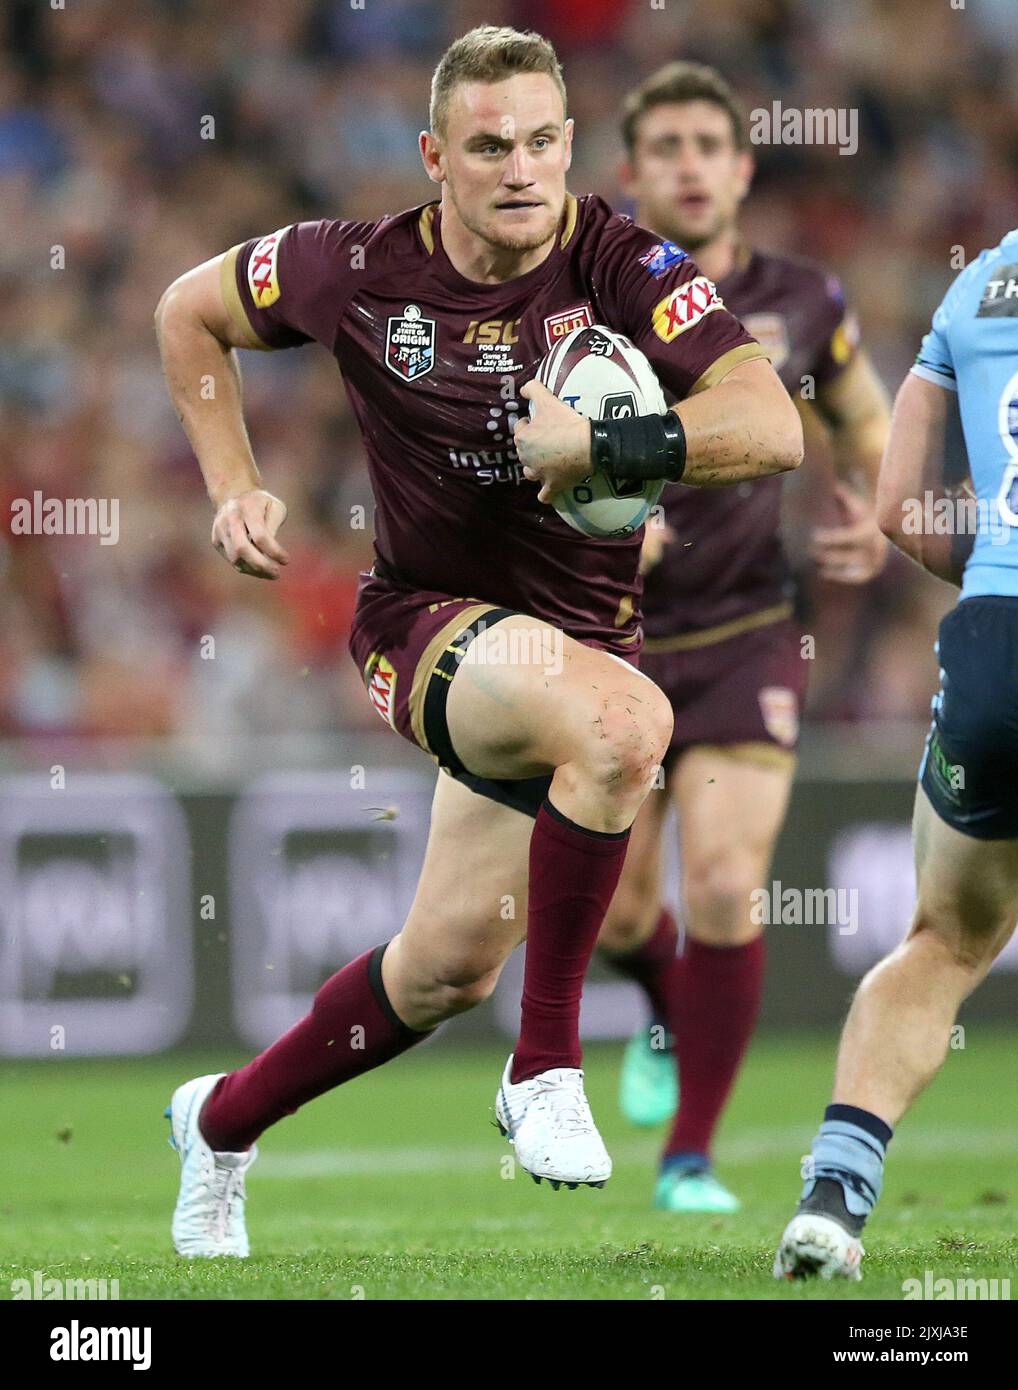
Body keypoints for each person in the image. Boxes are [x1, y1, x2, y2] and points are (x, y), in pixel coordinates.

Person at [156, 26, 801, 1258]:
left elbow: (770, 423)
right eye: (491, 146)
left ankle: (222, 1121)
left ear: (570, 143)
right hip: (424, 628)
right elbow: (184, 311)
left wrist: (613, 449)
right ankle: (545, 1065)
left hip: (573, 646)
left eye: (545, 141)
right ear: (434, 157)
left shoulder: (622, 261)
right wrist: (232, 484)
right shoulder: (350, 268)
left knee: (439, 969)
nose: (522, 169)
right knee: (624, 727)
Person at [595, 63, 890, 1213]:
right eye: (661, 144)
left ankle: (688, 1158)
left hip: (747, 633)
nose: (685, 163)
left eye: (705, 143)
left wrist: (875, 503)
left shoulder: (802, 298)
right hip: (606, 642)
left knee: (723, 884)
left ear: (739, 166)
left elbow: (862, 418)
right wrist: (599, 526)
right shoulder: (576, 298)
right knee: (623, 913)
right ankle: (668, 1016)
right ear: (629, 171)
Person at [775, 225, 1018, 1279]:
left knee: (946, 940)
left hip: (995, 642)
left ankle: (833, 1197)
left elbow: (898, 509)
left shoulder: (978, 278)